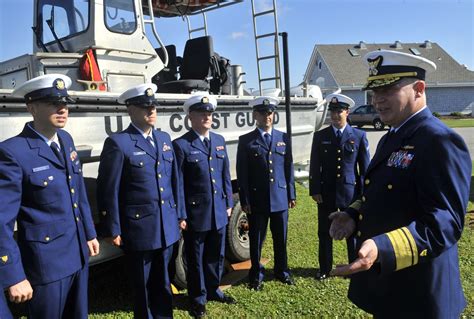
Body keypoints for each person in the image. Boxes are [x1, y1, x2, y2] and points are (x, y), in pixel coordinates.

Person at [329, 50, 471, 318]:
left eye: (388, 90)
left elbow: (446, 223)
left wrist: (381, 247)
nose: (377, 100)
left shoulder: (438, 140)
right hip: (390, 285)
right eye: (373, 92)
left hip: (420, 293)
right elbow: (377, 192)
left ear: (419, 89)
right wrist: (352, 214)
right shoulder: (390, 137)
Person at [0, 74, 99, 318]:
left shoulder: (65, 140)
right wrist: (14, 275)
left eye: (65, 103)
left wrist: (89, 234)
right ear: (31, 107)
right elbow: (1, 221)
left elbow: (78, 194)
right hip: (47, 266)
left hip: (77, 254)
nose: (62, 109)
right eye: (53, 103)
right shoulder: (13, 152)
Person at [97, 83, 186, 318]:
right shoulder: (119, 143)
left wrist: (180, 214)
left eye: (153, 106)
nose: (151, 110)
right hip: (139, 229)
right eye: (144, 106)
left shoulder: (164, 138)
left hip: (166, 226)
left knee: (163, 282)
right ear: (130, 110)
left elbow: (175, 179)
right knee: (143, 288)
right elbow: (108, 189)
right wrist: (112, 227)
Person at [173, 93, 235, 318]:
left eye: (209, 113)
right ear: (191, 117)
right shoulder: (181, 145)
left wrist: (229, 202)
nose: (207, 117)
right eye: (202, 114)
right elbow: (177, 183)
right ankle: (197, 298)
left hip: (219, 210)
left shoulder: (218, 141)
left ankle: (213, 288)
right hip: (195, 213)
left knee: (216, 255)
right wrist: (181, 214)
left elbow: (225, 174)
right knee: (196, 259)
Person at [236, 96, 296, 291]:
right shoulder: (246, 141)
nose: (267, 117)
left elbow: (288, 167)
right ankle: (256, 274)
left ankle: (282, 271)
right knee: (256, 240)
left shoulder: (283, 138)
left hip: (280, 197)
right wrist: (244, 200)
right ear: (255, 115)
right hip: (257, 199)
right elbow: (242, 173)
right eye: (262, 113)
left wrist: (291, 194)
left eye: (270, 113)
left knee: (281, 238)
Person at [309, 93, 370, 280]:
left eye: (339, 111)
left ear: (347, 112)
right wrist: (315, 190)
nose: (335, 115)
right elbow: (314, 165)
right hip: (326, 193)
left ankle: (353, 267)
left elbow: (365, 168)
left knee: (351, 232)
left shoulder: (358, 136)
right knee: (324, 232)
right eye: (333, 111)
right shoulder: (320, 136)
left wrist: (363, 194)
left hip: (350, 194)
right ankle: (325, 269)